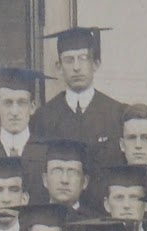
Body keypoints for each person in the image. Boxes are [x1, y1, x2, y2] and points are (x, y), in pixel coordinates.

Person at [32, 26, 126, 168]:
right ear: (59, 67)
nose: (76, 67)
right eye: (69, 60)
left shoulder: (117, 113)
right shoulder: (43, 117)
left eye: (83, 58)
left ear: (95, 64)